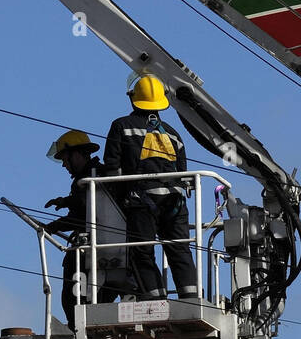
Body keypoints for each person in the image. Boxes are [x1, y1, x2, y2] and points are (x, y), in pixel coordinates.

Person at [103, 75, 199, 301]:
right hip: (175, 203)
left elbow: (112, 169)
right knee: (180, 251)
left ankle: (156, 299)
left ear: (133, 100)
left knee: (142, 251)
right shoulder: (174, 134)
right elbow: (182, 173)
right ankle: (192, 299)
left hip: (141, 202)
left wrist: (120, 199)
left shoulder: (121, 126)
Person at [43, 129, 121, 326]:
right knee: (88, 299)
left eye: (66, 159)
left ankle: (81, 328)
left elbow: (86, 217)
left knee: (74, 298)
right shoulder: (90, 177)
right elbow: (82, 210)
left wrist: (54, 226)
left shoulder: (93, 178)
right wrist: (67, 202)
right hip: (108, 248)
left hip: (96, 249)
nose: (64, 165)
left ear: (77, 154)